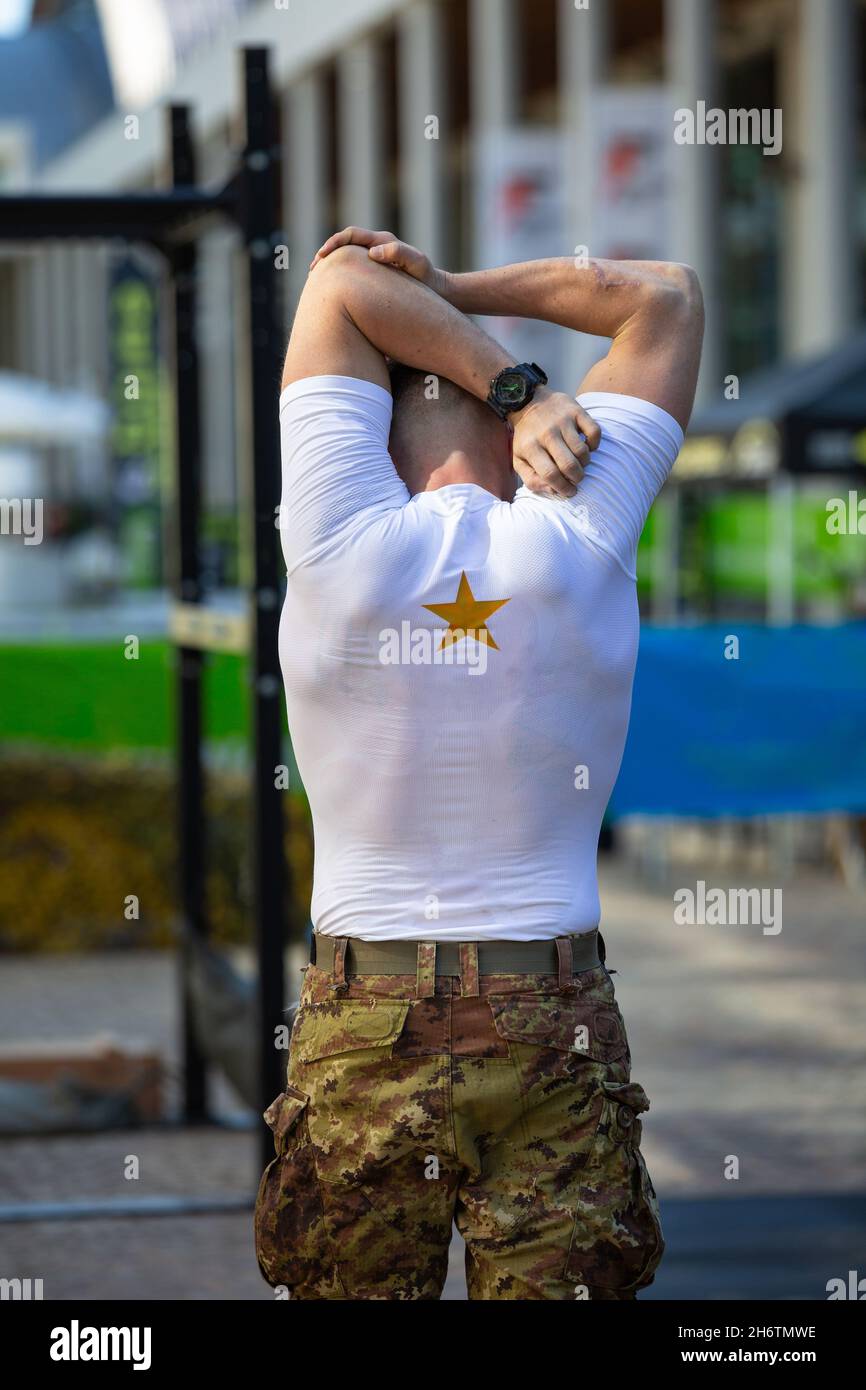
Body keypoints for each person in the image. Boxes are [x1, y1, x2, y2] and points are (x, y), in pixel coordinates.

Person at [254, 228, 704, 1301]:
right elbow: (664, 298)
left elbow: (341, 280)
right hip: (548, 1008)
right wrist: (469, 305)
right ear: (526, 450)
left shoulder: (332, 538)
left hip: (364, 1015)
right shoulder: (577, 530)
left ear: (380, 445)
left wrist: (481, 361)